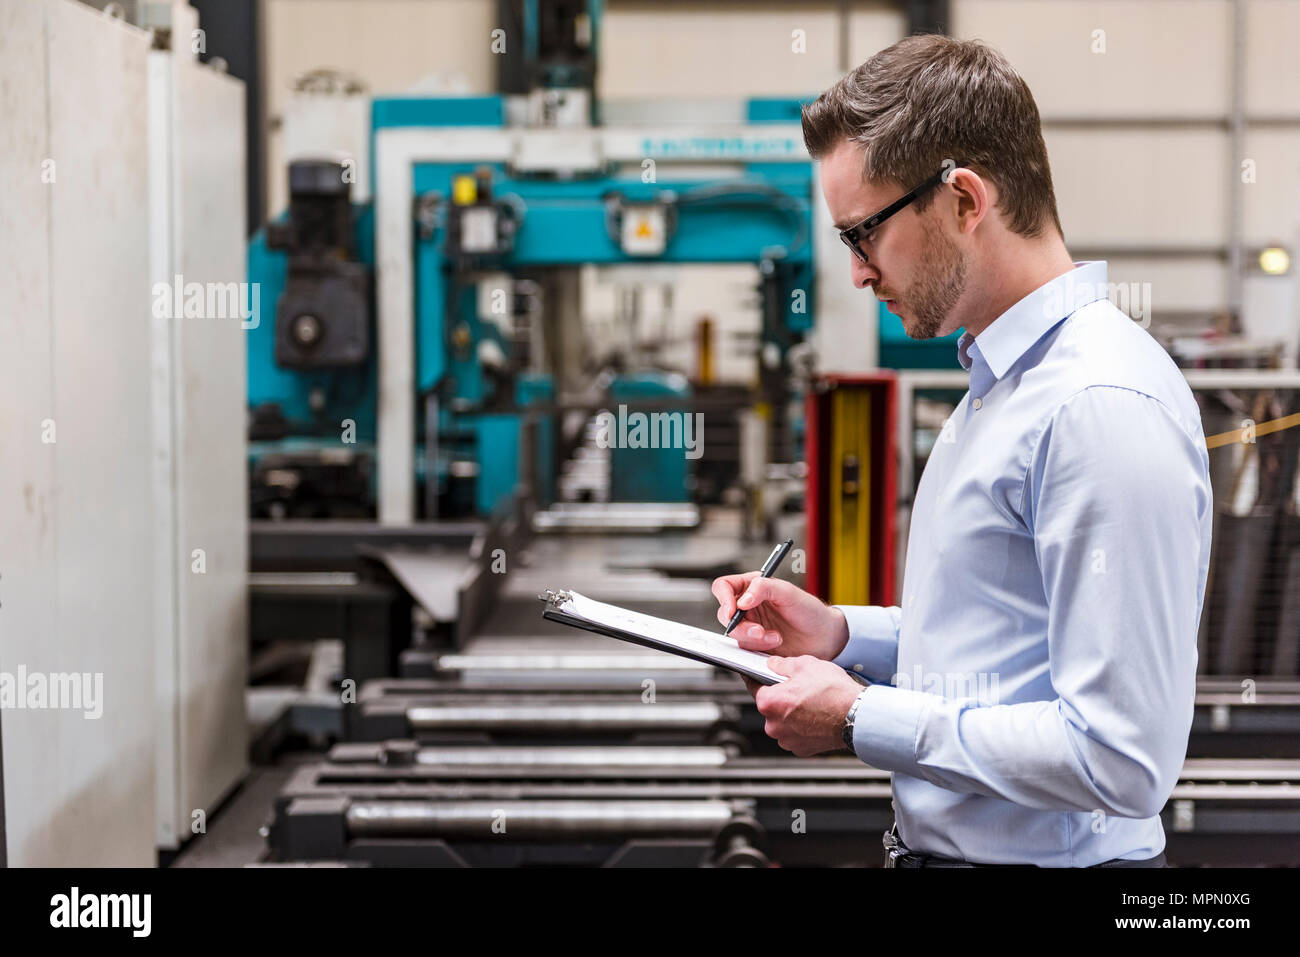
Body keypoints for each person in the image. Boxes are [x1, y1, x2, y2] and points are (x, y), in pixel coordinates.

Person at [712, 34, 1212, 868]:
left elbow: (1122, 758)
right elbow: (1002, 647)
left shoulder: (1096, 407)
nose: (859, 274)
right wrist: (838, 636)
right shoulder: (998, 385)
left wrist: (858, 716)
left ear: (964, 200)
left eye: (862, 234)